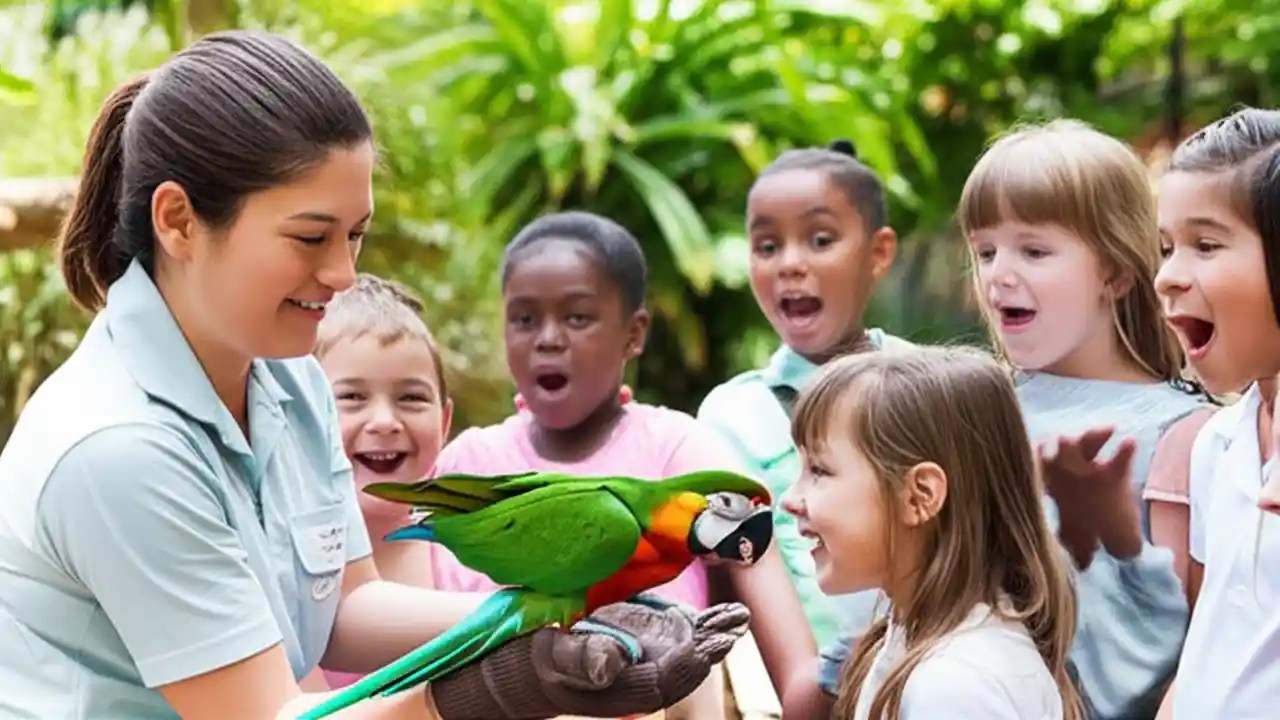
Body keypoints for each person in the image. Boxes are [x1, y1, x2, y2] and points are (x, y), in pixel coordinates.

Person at [0, 31, 748, 720]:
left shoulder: (286, 373)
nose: (343, 274)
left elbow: (345, 611)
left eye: (355, 234)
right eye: (310, 236)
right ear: (179, 221)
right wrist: (500, 684)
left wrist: (577, 618)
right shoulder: (116, 448)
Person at [424, 210, 815, 720]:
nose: (547, 338)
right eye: (524, 319)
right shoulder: (465, 468)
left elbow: (788, 649)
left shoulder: (682, 453)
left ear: (634, 334)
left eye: (577, 317)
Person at [694, 140, 912, 713]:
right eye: (768, 245)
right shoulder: (730, 416)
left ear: (878, 252)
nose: (790, 263)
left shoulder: (929, 384)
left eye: (820, 239)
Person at [782, 345, 1082, 719]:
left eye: (820, 471)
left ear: (919, 495)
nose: (790, 500)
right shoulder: (914, 645)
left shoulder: (956, 684)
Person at [1151, 106, 1280, 719]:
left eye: (1206, 245)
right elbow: (1211, 648)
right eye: (1167, 247)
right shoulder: (1217, 443)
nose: (1168, 277)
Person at [312, 273, 453, 690]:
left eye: (411, 398)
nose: (385, 422)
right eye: (352, 397)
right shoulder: (284, 564)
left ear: (445, 421)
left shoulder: (465, 556)